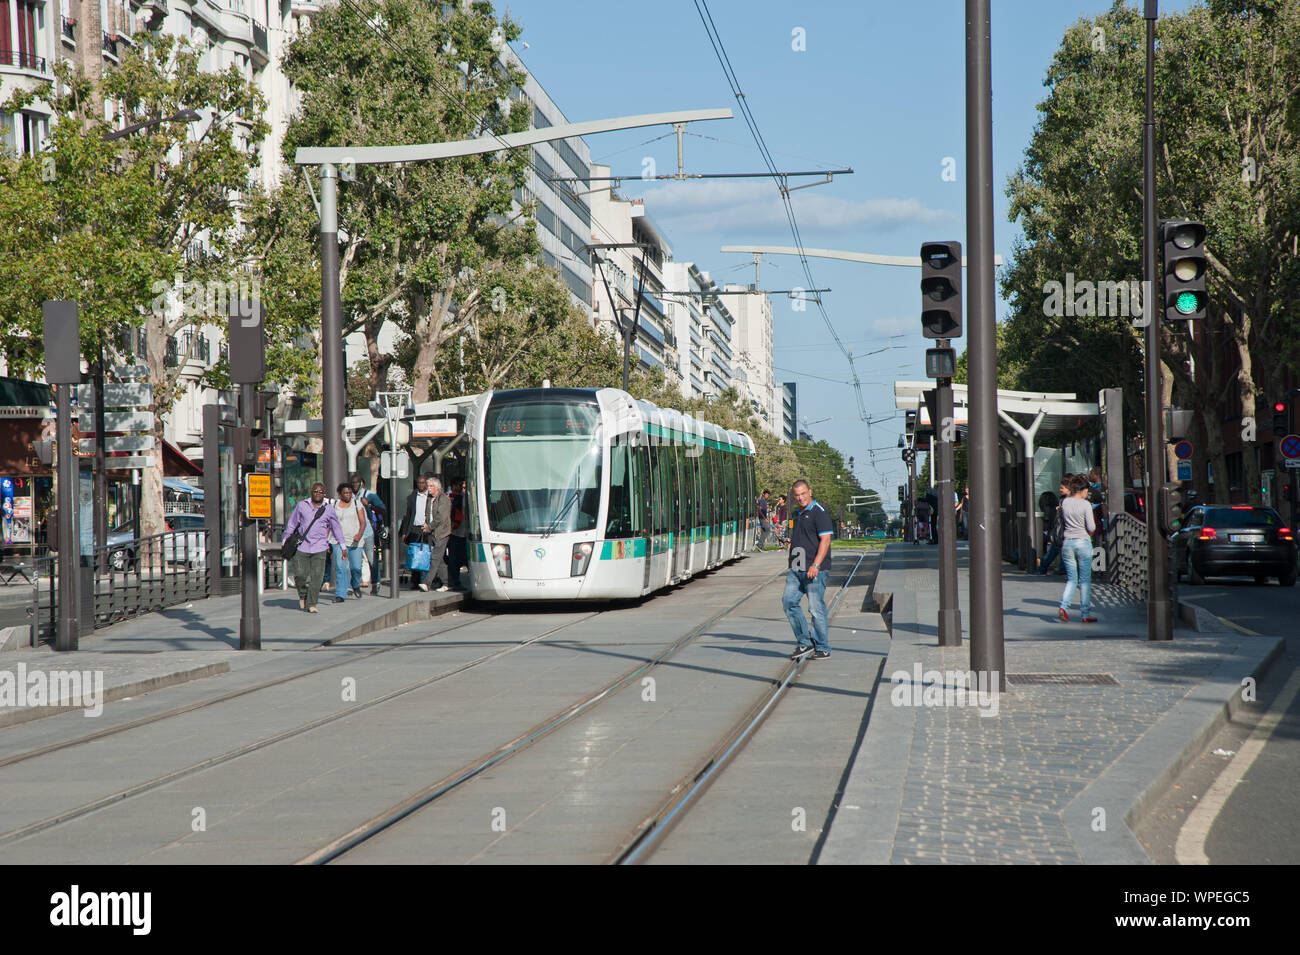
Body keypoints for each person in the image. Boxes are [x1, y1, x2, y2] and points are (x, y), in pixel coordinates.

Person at [783, 479, 834, 660]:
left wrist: (816, 565)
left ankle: (822, 647)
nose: (800, 498)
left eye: (803, 493)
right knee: (789, 602)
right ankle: (804, 642)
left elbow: (825, 540)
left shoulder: (819, 513)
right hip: (797, 567)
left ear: (810, 492)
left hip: (814, 568)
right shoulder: (797, 513)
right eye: (797, 495)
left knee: (815, 608)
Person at [282, 483, 346, 613]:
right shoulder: (302, 505)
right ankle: (303, 595)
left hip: (320, 547)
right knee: (300, 575)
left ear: (324, 494)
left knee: (317, 577)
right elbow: (292, 523)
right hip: (302, 546)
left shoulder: (328, 509)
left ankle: (311, 603)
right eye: (315, 491)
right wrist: (285, 539)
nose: (318, 493)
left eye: (321, 492)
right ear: (311, 492)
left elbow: (336, 528)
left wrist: (343, 546)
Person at [1058, 473, 1097, 623]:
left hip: (1067, 542)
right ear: (1081, 490)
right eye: (1086, 491)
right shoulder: (1086, 505)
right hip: (1083, 542)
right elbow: (1091, 527)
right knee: (1085, 580)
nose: (1087, 493)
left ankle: (1064, 607)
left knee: (1072, 579)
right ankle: (1085, 614)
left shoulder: (1065, 503)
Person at [351, 472, 386, 595]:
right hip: (353, 533)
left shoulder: (369, 495)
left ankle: (375, 583)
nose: (355, 485)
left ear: (361, 483)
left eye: (357, 482)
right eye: (353, 482)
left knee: (372, 559)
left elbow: (383, 509)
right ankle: (353, 584)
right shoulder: (348, 495)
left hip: (368, 533)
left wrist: (369, 505)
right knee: (354, 561)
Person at [332, 481, 368, 599]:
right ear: (340, 494)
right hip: (337, 541)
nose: (348, 495)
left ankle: (356, 584)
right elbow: (329, 522)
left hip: (354, 541)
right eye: (345, 493)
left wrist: (359, 534)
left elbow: (363, 523)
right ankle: (340, 594)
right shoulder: (334, 504)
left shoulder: (357, 504)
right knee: (341, 567)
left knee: (356, 568)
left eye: (349, 493)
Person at [1036, 477, 1070, 575]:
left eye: (1062, 488)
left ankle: (1045, 568)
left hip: (1062, 530)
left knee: (1057, 549)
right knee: (1059, 549)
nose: (1060, 490)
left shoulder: (1064, 501)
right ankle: (1060, 569)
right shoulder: (1062, 500)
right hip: (1062, 530)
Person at [446, 478, 468, 591]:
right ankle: (454, 582)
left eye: (464, 487)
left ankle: (455, 581)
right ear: (454, 486)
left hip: (464, 533)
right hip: (455, 533)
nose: (462, 489)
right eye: (460, 486)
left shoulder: (465, 497)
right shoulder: (451, 497)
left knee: (463, 558)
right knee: (453, 559)